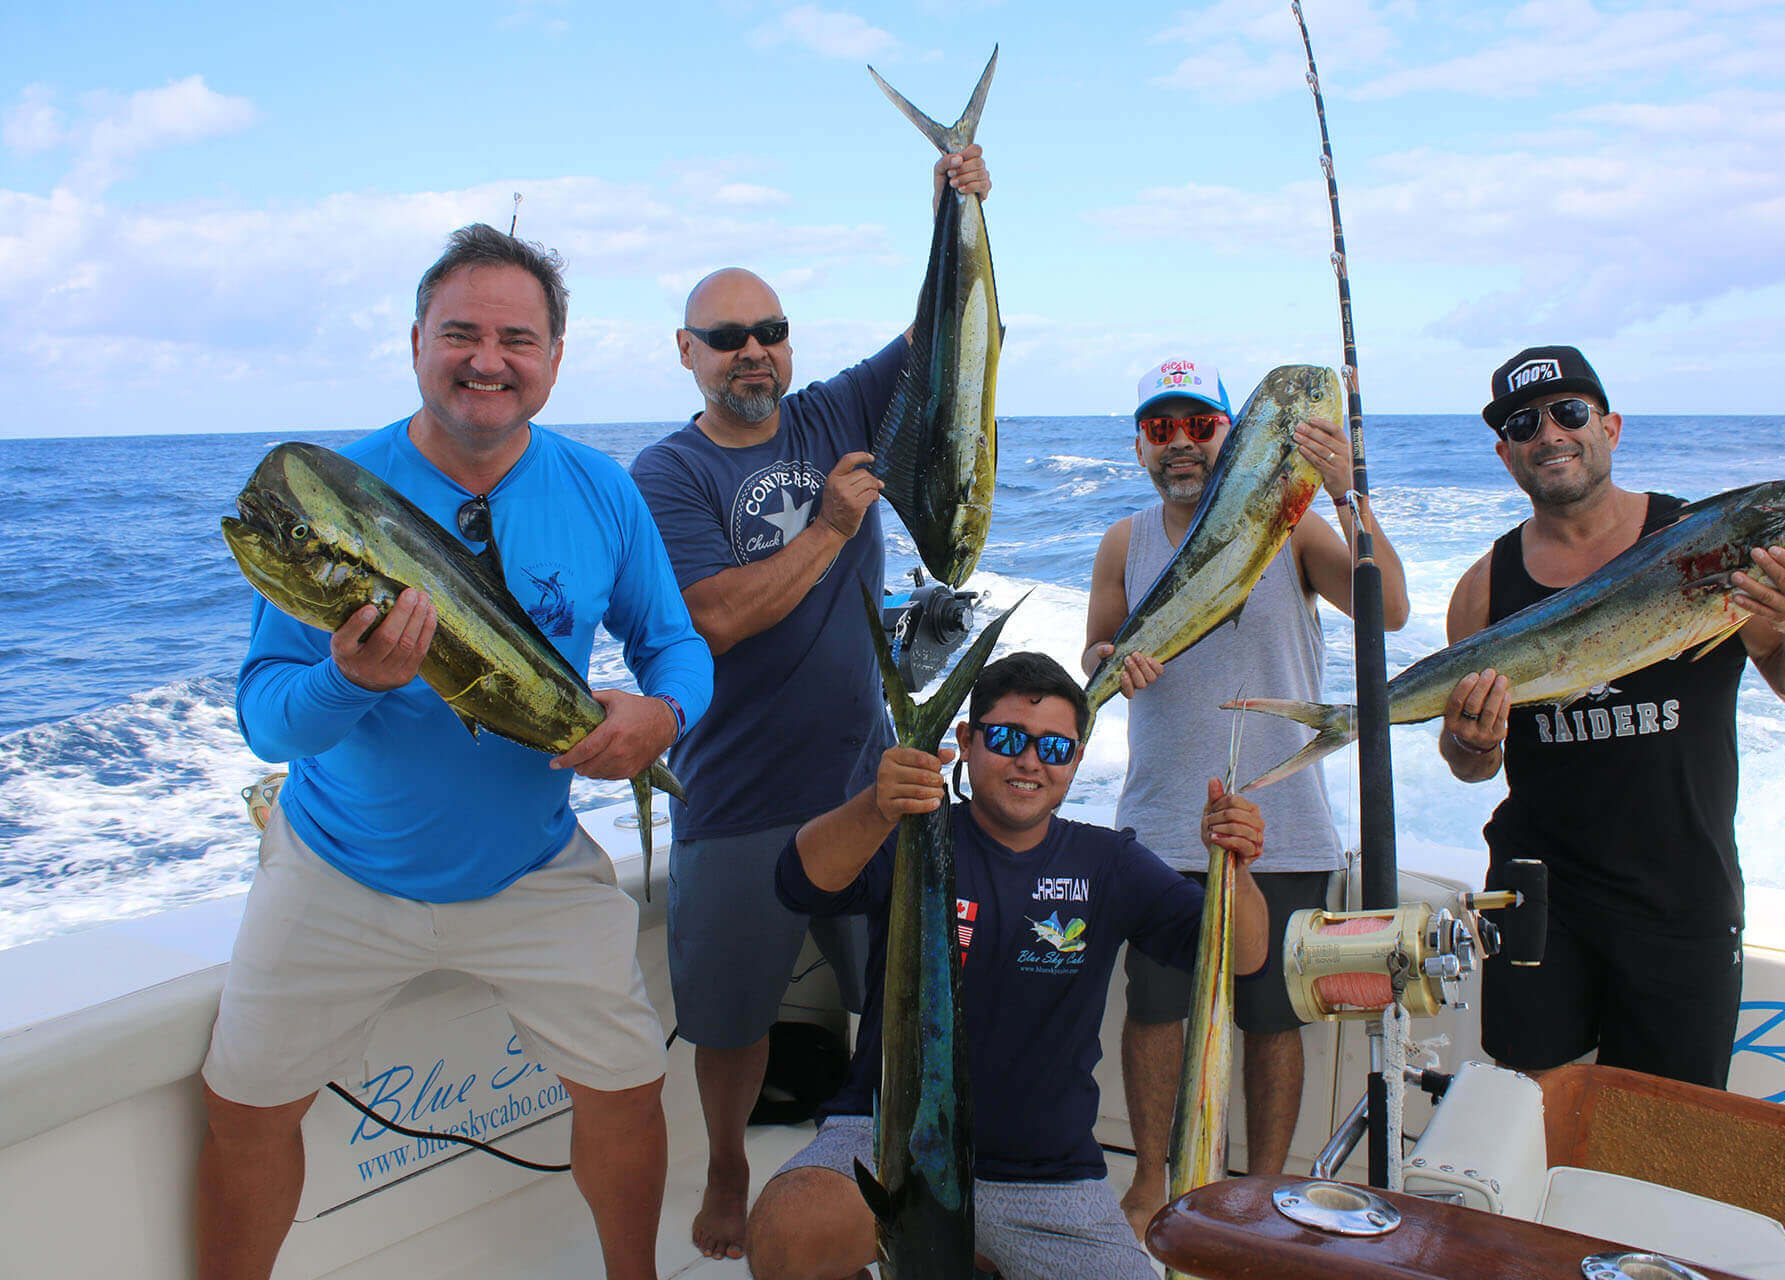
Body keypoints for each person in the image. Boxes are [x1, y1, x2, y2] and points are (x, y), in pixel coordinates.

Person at [197, 224, 712, 1280]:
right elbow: (266, 718)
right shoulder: (338, 499)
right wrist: (351, 679)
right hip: (341, 864)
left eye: (517, 337)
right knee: (243, 1106)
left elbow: (676, 646)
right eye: (462, 332)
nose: (488, 358)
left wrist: (661, 719)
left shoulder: (599, 490)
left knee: (627, 1086)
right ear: (417, 341)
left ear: (555, 360)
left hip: (530, 863)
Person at [628, 148, 992, 1260]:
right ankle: (732, 1158)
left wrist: (955, 208)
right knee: (730, 1021)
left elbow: (942, 340)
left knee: (896, 998)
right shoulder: (667, 473)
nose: (753, 352)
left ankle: (883, 1164)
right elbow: (715, 619)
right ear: (688, 356)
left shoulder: (836, 411)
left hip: (866, 785)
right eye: (727, 337)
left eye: (769, 331)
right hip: (736, 800)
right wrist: (829, 528)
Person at [743, 651, 1270, 1280]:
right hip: (890, 1141)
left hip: (1047, 1178)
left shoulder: (1110, 864)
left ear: (1076, 760)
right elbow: (798, 883)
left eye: (1055, 748)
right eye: (1008, 738)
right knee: (786, 1231)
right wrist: (877, 807)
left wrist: (1236, 866)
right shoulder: (911, 834)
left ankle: (977, 1256)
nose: (1030, 761)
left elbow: (1240, 958)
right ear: (966, 743)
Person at [1440, 345, 1785, 1089]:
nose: (1550, 435)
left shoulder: (1714, 549)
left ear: (1611, 427)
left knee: (1662, 1131)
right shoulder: (1481, 589)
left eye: (1570, 413)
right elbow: (1472, 765)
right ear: (1506, 455)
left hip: (1682, 894)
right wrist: (1469, 742)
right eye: (1525, 424)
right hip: (1538, 894)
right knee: (1533, 1107)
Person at [1080, 356, 1410, 1235]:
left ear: (1236, 437)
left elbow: (1392, 611)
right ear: (1142, 445)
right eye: (1161, 429)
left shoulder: (1294, 528)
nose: (1182, 444)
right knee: (1156, 1012)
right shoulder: (1124, 541)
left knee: (1273, 1017)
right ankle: (1152, 1180)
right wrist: (1110, 663)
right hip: (1158, 822)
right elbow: (1096, 656)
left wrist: (1347, 494)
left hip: (1284, 819)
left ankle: (1265, 1193)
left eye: (1201, 426)